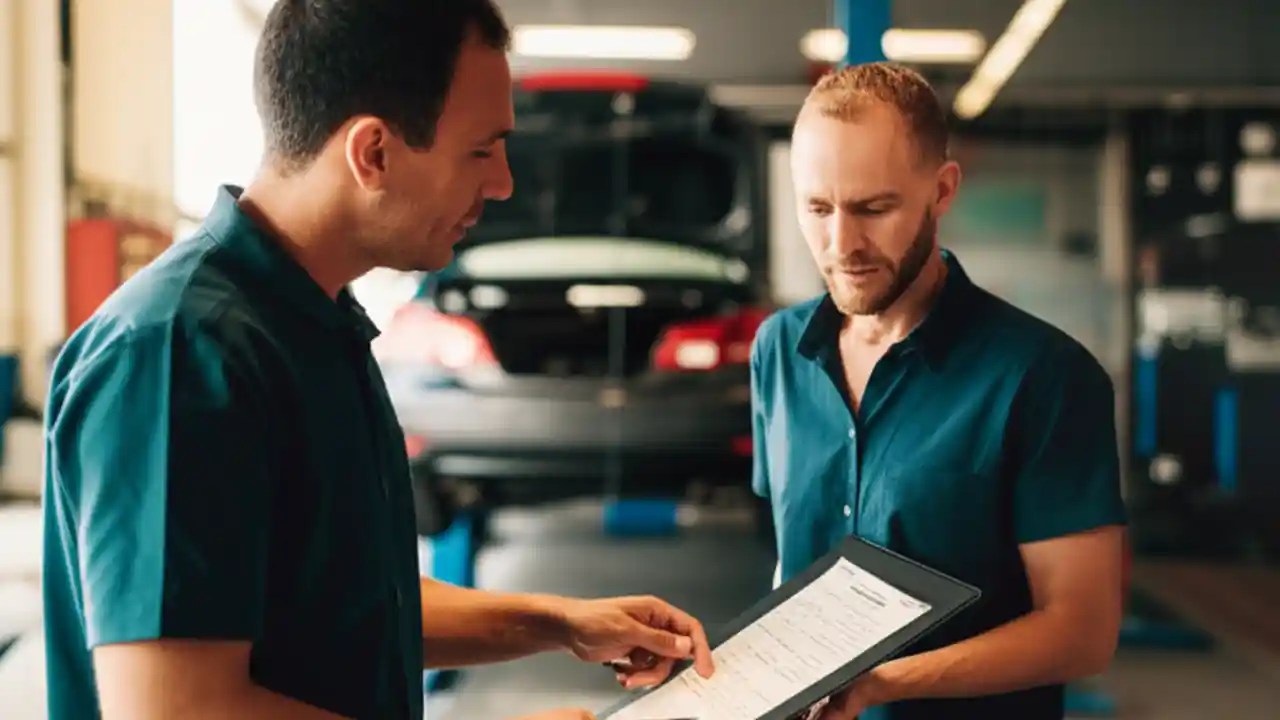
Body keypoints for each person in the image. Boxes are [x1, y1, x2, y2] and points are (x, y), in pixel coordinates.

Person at [41, 2, 714, 719]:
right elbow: (175, 709)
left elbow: (353, 604)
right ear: (374, 154)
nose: (503, 184)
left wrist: (558, 623)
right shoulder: (180, 353)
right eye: (481, 151)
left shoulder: (316, 324)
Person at [750, 63, 1127, 720]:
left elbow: (1082, 631)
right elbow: (793, 564)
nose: (842, 245)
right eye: (818, 208)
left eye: (874, 209)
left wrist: (883, 683)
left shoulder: (1043, 377)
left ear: (942, 190)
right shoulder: (779, 351)